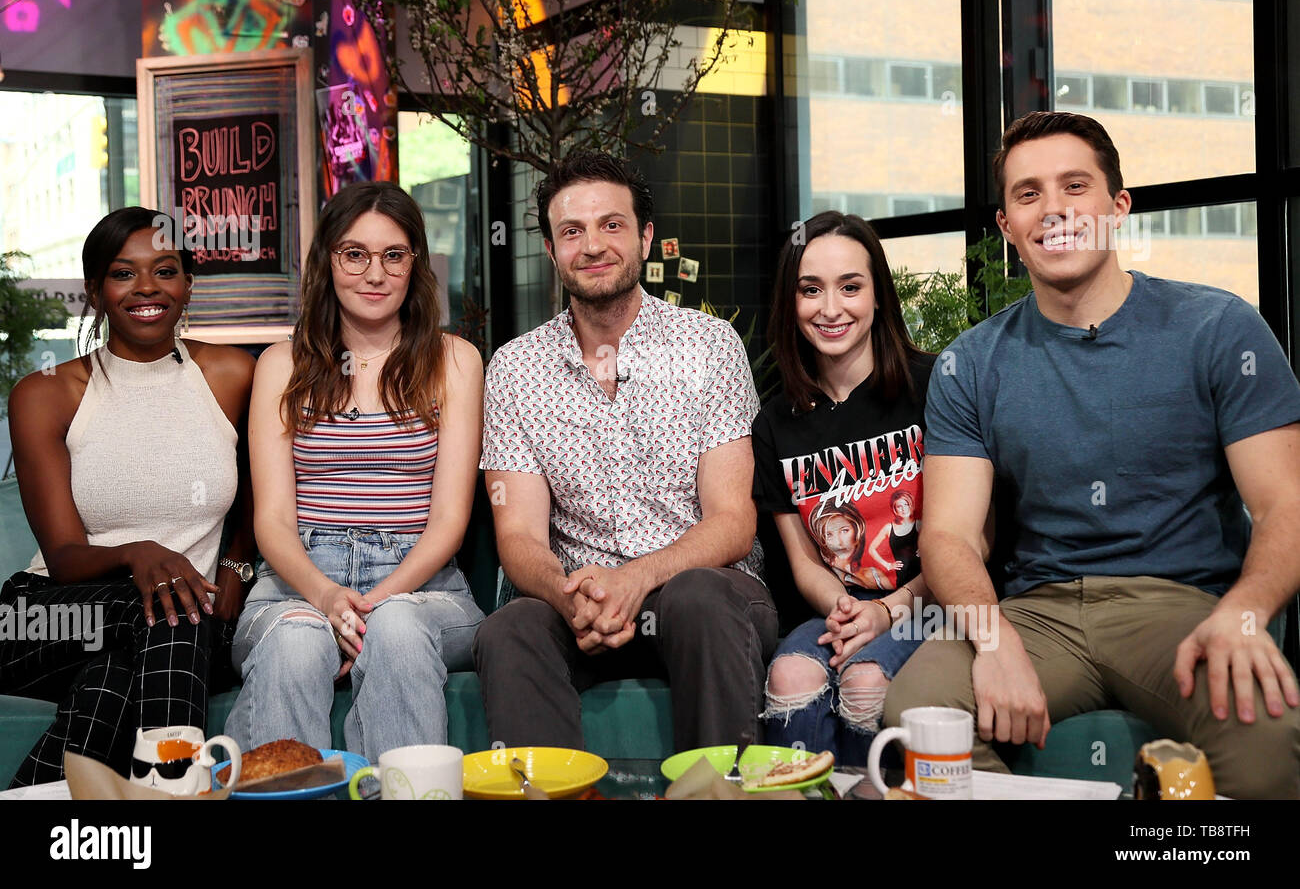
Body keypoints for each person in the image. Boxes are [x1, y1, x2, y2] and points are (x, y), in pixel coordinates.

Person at [884, 111, 1300, 798]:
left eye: (1075, 186)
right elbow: (950, 535)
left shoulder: (1218, 328)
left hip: (1179, 604)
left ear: (1117, 206)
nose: (1054, 209)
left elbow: (1283, 502)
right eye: (1028, 194)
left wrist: (1244, 611)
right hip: (1039, 609)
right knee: (916, 713)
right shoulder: (973, 364)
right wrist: (991, 638)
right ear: (1007, 227)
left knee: (1268, 740)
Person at [473, 150, 779, 751]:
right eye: (572, 231)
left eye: (611, 225)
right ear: (551, 250)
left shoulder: (708, 346)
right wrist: (569, 594)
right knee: (508, 629)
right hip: (581, 602)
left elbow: (734, 523)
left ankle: (714, 797)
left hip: (706, 593)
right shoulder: (514, 369)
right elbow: (520, 539)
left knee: (696, 596)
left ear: (644, 236)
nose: (592, 245)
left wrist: (635, 580)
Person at [224, 181, 484, 764]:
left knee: (393, 628)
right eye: (355, 254)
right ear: (328, 262)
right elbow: (271, 521)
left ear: (415, 263)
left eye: (394, 255)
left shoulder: (455, 361)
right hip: (297, 582)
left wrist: (368, 608)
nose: (375, 273)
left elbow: (448, 523)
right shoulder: (281, 364)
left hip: (423, 585)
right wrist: (327, 599)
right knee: (294, 640)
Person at [2, 207, 256, 787]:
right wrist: (137, 552)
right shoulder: (46, 393)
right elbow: (64, 557)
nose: (147, 287)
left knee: (107, 688)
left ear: (187, 284)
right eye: (123, 273)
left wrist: (238, 567)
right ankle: (178, 792)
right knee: (173, 610)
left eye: (165, 270)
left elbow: (252, 501)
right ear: (95, 290)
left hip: (187, 625)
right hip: (49, 615)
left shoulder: (233, 374)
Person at [753, 211, 938, 763]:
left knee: (863, 684)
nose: (830, 309)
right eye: (811, 290)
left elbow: (974, 538)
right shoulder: (775, 424)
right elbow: (803, 562)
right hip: (838, 609)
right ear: (792, 302)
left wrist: (888, 611)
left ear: (879, 294)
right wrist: (846, 609)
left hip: (934, 604)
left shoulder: (934, 386)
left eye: (850, 287)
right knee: (788, 675)